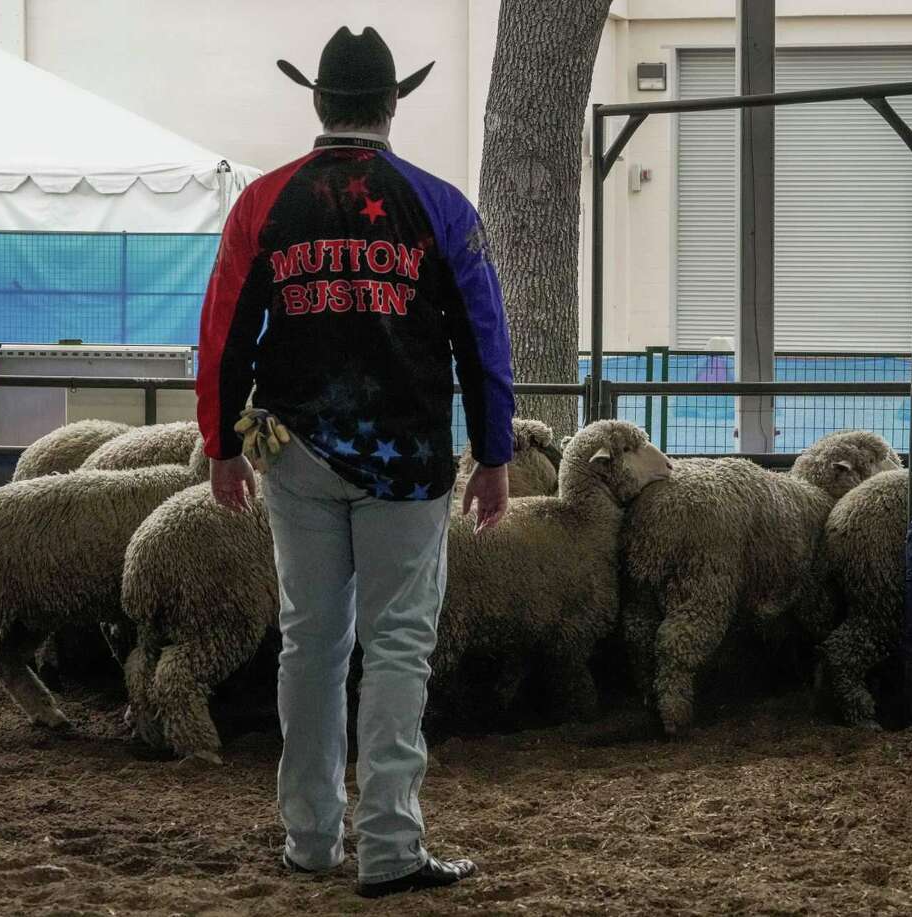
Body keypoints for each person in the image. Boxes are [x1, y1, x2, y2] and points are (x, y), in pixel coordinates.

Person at [195, 26, 515, 899]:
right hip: (407, 460)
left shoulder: (264, 203)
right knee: (399, 646)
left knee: (310, 640)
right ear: (393, 103)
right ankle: (389, 844)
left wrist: (221, 442)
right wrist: (494, 452)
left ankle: (308, 839)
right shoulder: (441, 206)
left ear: (319, 102)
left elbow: (224, 332)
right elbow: (483, 337)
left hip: (290, 450)